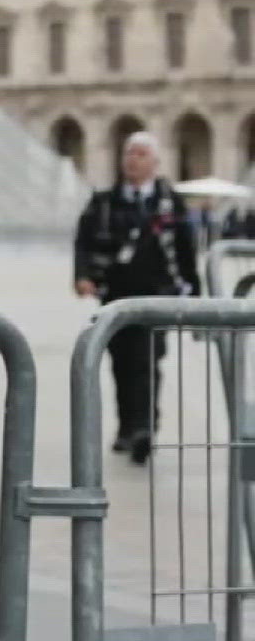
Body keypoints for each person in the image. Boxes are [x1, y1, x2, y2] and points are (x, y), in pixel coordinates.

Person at [73, 131, 199, 464]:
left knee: (148, 361)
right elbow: (83, 240)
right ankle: (126, 426)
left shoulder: (170, 201)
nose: (133, 159)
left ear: (155, 163)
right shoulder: (103, 201)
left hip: (157, 295)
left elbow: (187, 249)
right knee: (120, 363)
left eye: (141, 154)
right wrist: (82, 276)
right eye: (130, 153)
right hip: (115, 294)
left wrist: (196, 295)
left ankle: (145, 427)